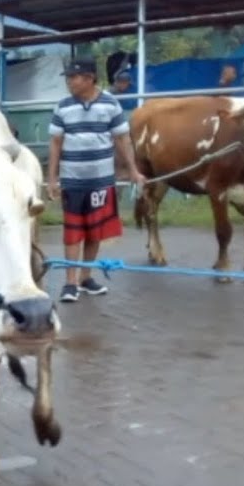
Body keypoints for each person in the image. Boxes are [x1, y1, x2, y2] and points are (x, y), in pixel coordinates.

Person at [47, 57, 144, 303]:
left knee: (94, 232)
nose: (69, 82)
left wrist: (133, 170)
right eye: (68, 78)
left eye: (74, 77)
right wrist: (52, 178)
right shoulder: (63, 106)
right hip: (72, 180)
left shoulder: (111, 104)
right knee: (72, 232)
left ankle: (85, 278)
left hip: (101, 180)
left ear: (90, 79)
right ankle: (70, 283)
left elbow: (122, 140)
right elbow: (56, 142)